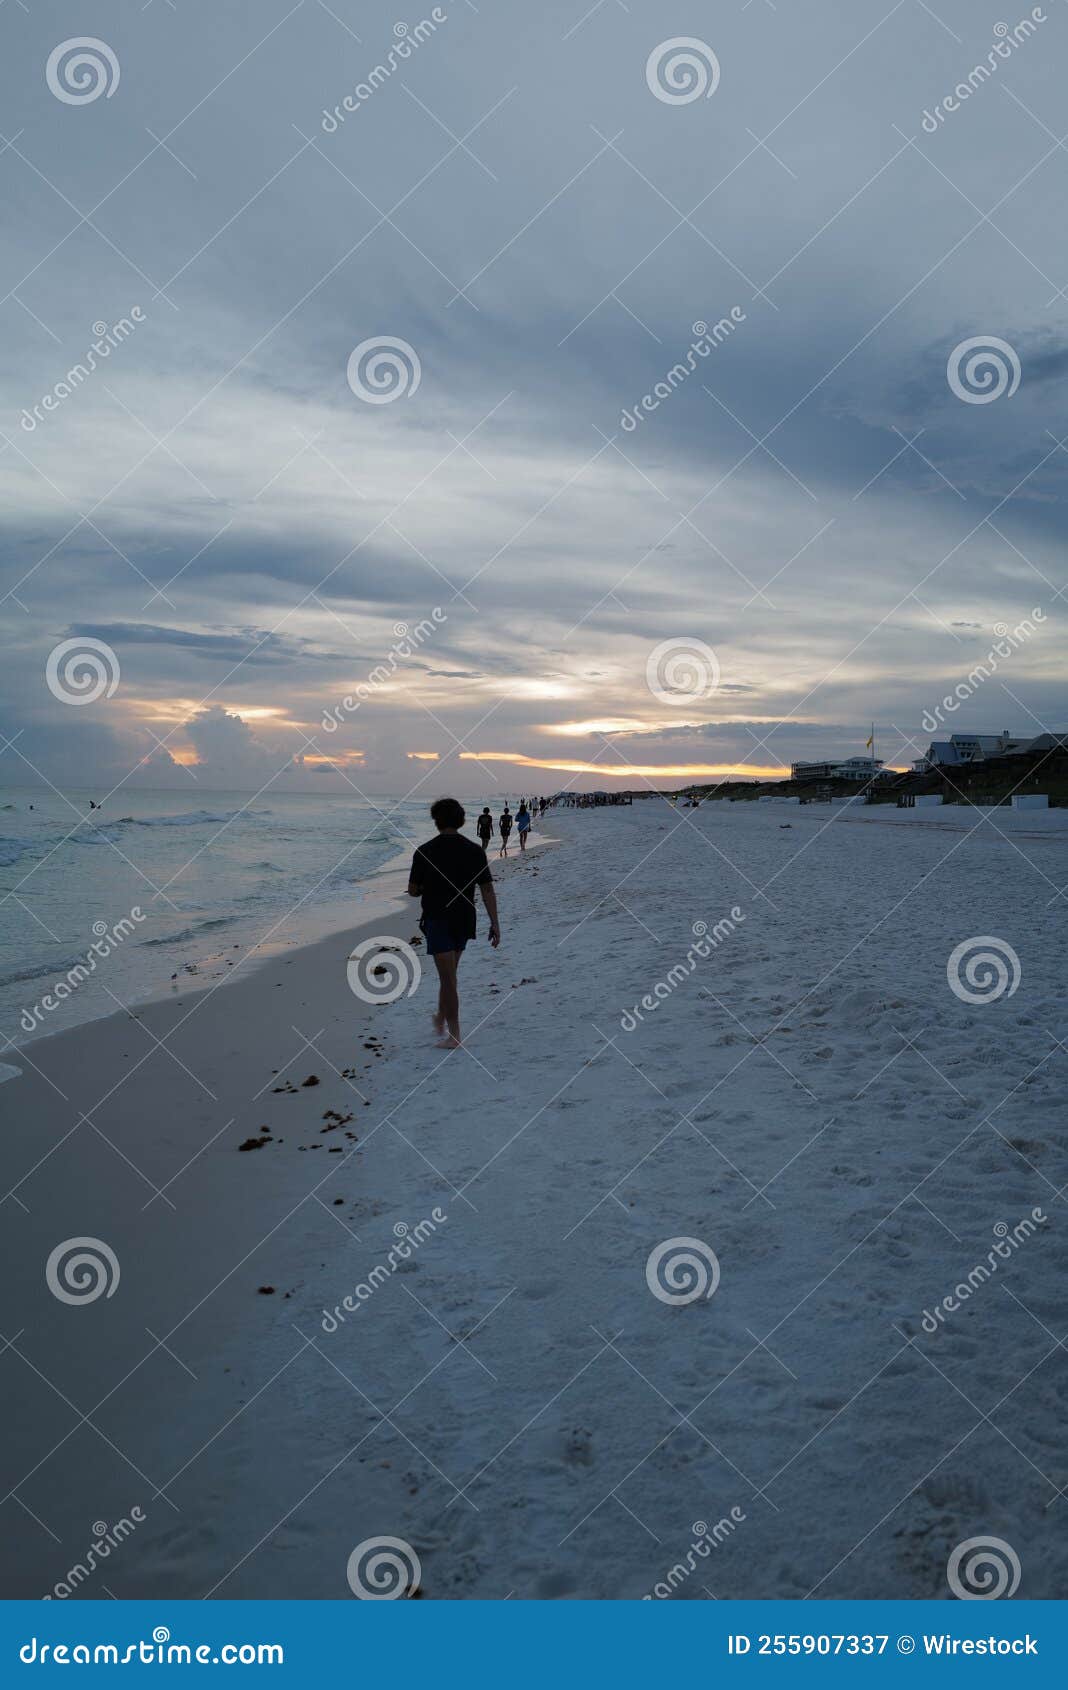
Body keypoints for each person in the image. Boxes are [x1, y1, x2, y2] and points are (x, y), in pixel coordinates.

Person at [408, 798, 500, 1050]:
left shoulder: (424, 851)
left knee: (448, 978)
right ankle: (440, 1017)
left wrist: (430, 886)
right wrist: (495, 923)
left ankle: (455, 1035)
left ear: (436, 820)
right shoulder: (474, 850)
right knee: (449, 976)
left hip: (438, 919)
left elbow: (413, 891)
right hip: (465, 918)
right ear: (460, 821)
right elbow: (488, 890)